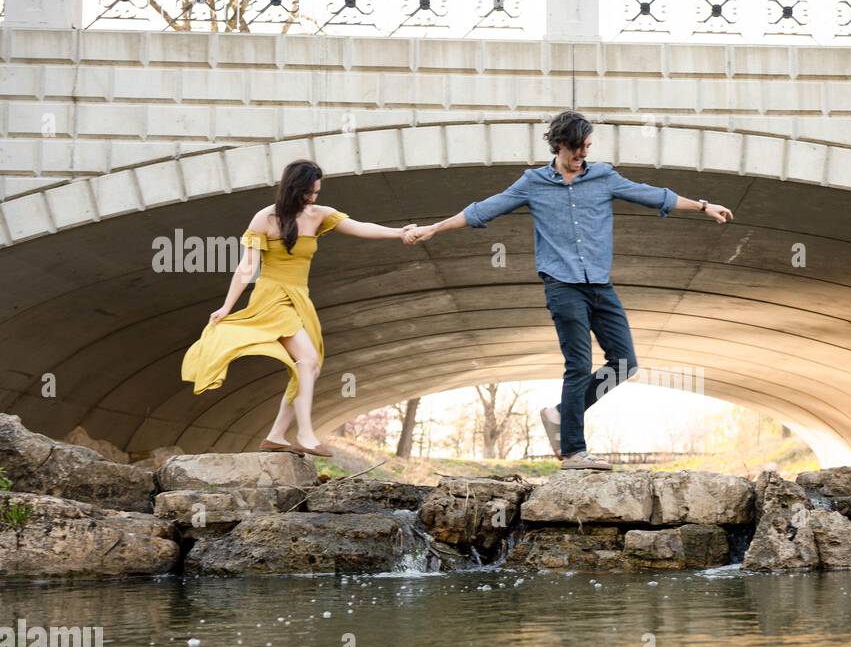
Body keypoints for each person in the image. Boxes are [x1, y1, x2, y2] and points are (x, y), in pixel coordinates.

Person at [404, 111, 734, 470]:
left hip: (599, 284)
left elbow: (654, 196)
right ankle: (574, 451)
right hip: (563, 285)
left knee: (625, 363)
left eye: (588, 147)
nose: (583, 155)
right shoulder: (533, 183)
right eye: (579, 148)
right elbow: (484, 209)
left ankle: (561, 412)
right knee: (578, 364)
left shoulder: (604, 177)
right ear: (561, 144)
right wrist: (435, 228)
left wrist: (702, 206)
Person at [182, 159, 414, 457]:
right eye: (309, 192)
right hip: (271, 297)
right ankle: (305, 433)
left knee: (312, 367)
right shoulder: (264, 219)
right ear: (294, 188)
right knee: (307, 360)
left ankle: (276, 434)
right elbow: (247, 266)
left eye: (317, 192)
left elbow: (361, 228)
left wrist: (397, 232)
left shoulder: (320, 215)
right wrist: (227, 305)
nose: (314, 197)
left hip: (300, 298)